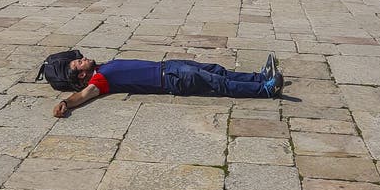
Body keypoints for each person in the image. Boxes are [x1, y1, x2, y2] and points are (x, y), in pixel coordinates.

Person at [52, 53, 283, 117]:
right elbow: (84, 95)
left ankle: (259, 77)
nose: (83, 59)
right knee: (219, 83)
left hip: (170, 65)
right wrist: (66, 103)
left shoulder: (102, 67)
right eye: (79, 62)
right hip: (172, 79)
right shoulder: (98, 81)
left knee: (216, 69)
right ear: (82, 76)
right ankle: (265, 90)